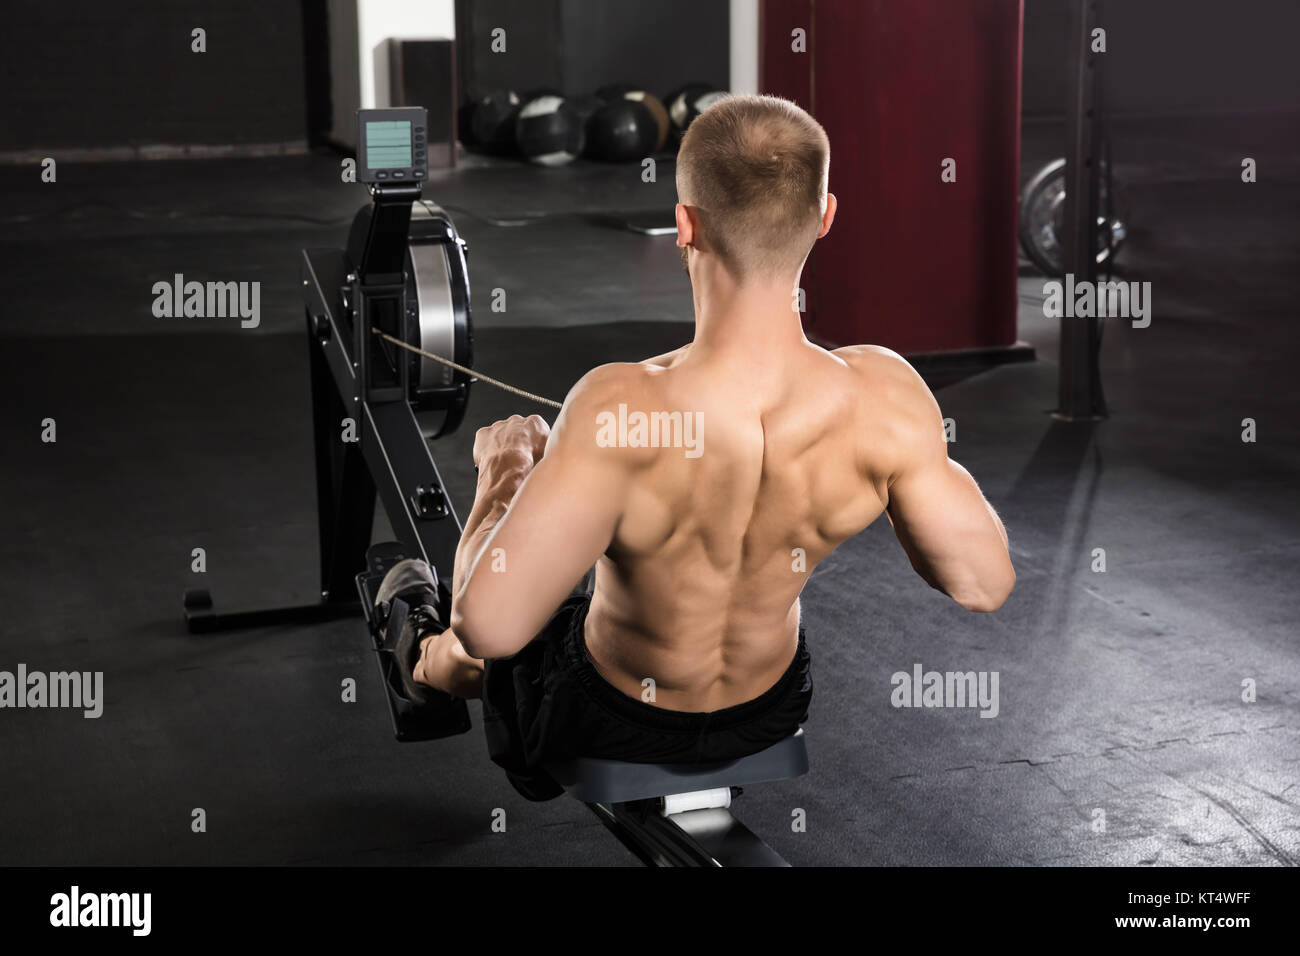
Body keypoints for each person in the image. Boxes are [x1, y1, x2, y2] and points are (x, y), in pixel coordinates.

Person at [375, 94, 1015, 800]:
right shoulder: (887, 396)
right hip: (767, 711)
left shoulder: (620, 405)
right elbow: (984, 584)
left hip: (610, 714)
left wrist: (506, 473)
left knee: (484, 643)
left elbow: (491, 626)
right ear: (825, 216)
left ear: (684, 226)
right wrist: (895, 470)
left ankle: (418, 657)